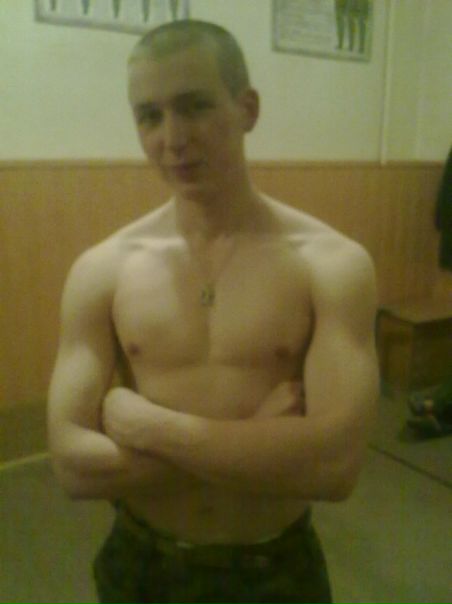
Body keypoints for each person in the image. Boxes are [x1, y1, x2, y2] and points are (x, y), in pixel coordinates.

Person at [47, 19, 379, 604]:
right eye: (149, 116)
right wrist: (258, 439)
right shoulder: (102, 270)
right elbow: (73, 466)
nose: (172, 138)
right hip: (141, 563)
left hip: (274, 569)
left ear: (247, 109)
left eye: (194, 106)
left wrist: (151, 429)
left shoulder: (330, 265)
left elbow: (334, 468)